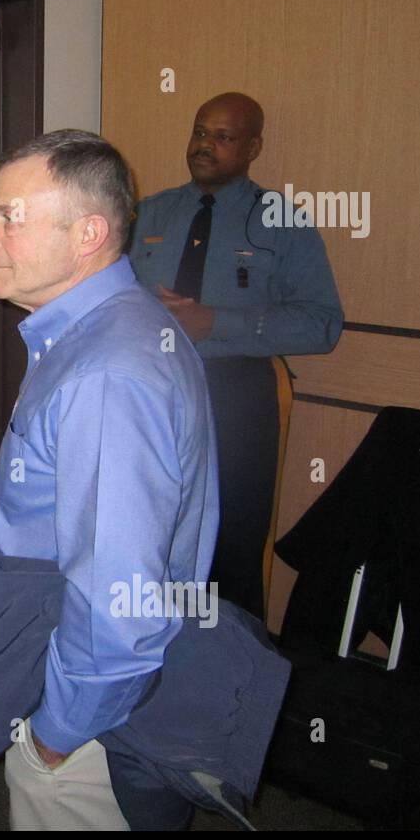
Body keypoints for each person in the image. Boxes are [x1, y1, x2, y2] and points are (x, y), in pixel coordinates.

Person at [0, 130, 219, 831]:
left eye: (9, 216)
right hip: (115, 675)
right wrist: (16, 474)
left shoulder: (106, 371)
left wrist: (55, 736)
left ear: (88, 232)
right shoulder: (108, 326)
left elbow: (117, 602)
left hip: (97, 715)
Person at [129, 93, 342, 619]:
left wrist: (215, 321)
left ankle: (229, 670)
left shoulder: (282, 221)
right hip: (152, 388)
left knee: (232, 537)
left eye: (223, 137)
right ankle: (149, 657)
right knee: (146, 524)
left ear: (253, 148)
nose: (205, 145)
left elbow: (322, 323)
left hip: (236, 397)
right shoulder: (151, 212)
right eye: (200, 132)